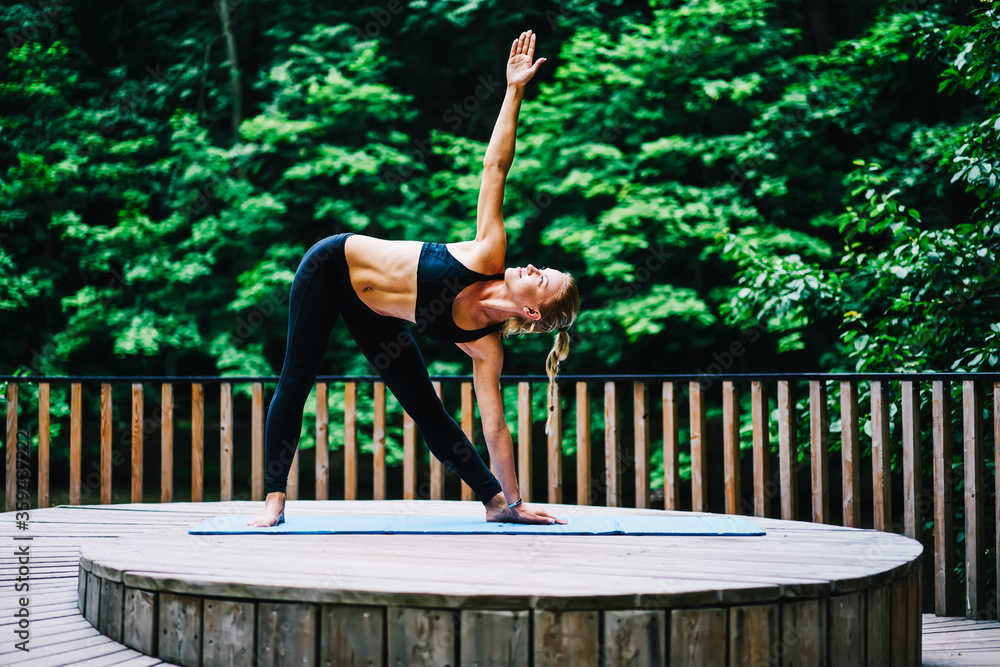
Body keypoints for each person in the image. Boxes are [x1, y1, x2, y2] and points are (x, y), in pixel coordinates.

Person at [248, 30, 577, 528]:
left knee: (427, 408)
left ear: (532, 311)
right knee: (297, 377)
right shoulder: (487, 253)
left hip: (375, 314)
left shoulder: (486, 345)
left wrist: (516, 499)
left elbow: (496, 426)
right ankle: (274, 498)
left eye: (541, 278)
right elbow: (495, 168)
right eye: (540, 265)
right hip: (332, 266)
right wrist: (513, 91)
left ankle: (495, 505)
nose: (532, 266)